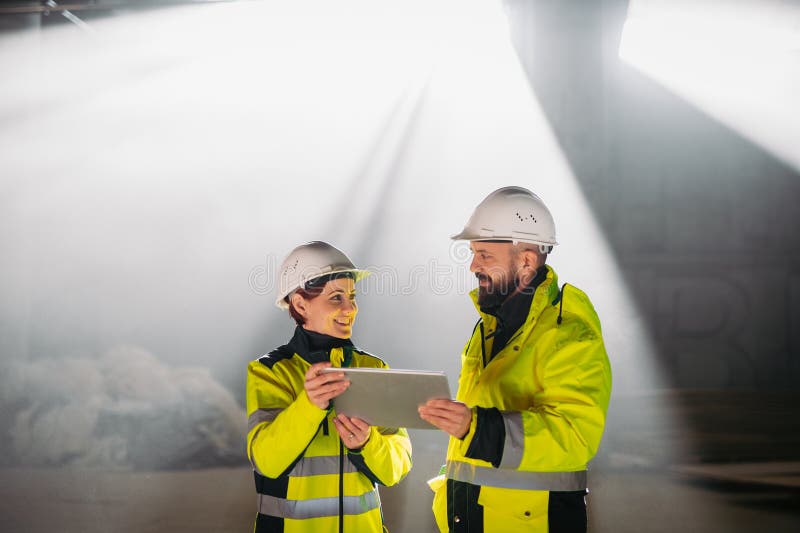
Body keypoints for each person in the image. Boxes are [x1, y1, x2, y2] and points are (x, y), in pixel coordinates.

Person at [419, 186, 612, 532]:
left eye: (484, 255)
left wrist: (475, 428)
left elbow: (574, 436)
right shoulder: (489, 327)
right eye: (473, 253)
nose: (473, 265)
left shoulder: (568, 332)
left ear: (526, 261)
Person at [246, 241, 413, 532]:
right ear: (300, 304)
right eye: (336, 298)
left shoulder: (373, 369)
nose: (350, 309)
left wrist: (367, 444)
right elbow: (267, 462)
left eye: (352, 296)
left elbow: (397, 466)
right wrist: (308, 406)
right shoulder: (271, 371)